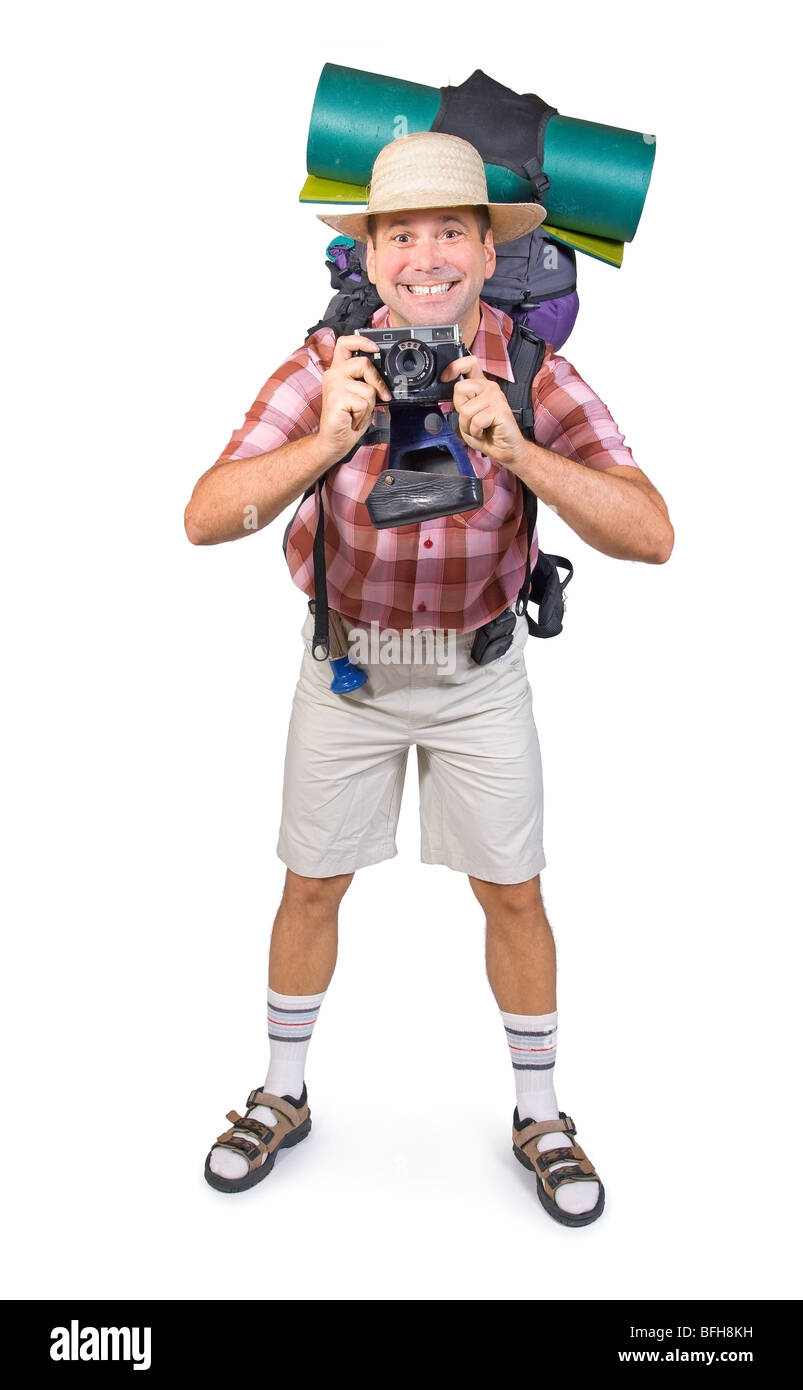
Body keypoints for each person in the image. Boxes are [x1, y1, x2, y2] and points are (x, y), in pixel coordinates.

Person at [184, 131, 673, 1226]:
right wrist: (322, 442)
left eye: (448, 229)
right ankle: (281, 1091)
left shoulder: (531, 370)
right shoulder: (325, 365)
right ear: (371, 253)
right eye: (401, 233)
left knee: (514, 890)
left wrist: (518, 450)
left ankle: (539, 1115)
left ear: (483, 249)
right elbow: (205, 516)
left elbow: (650, 533)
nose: (425, 255)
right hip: (349, 670)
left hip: (476, 674)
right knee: (309, 882)